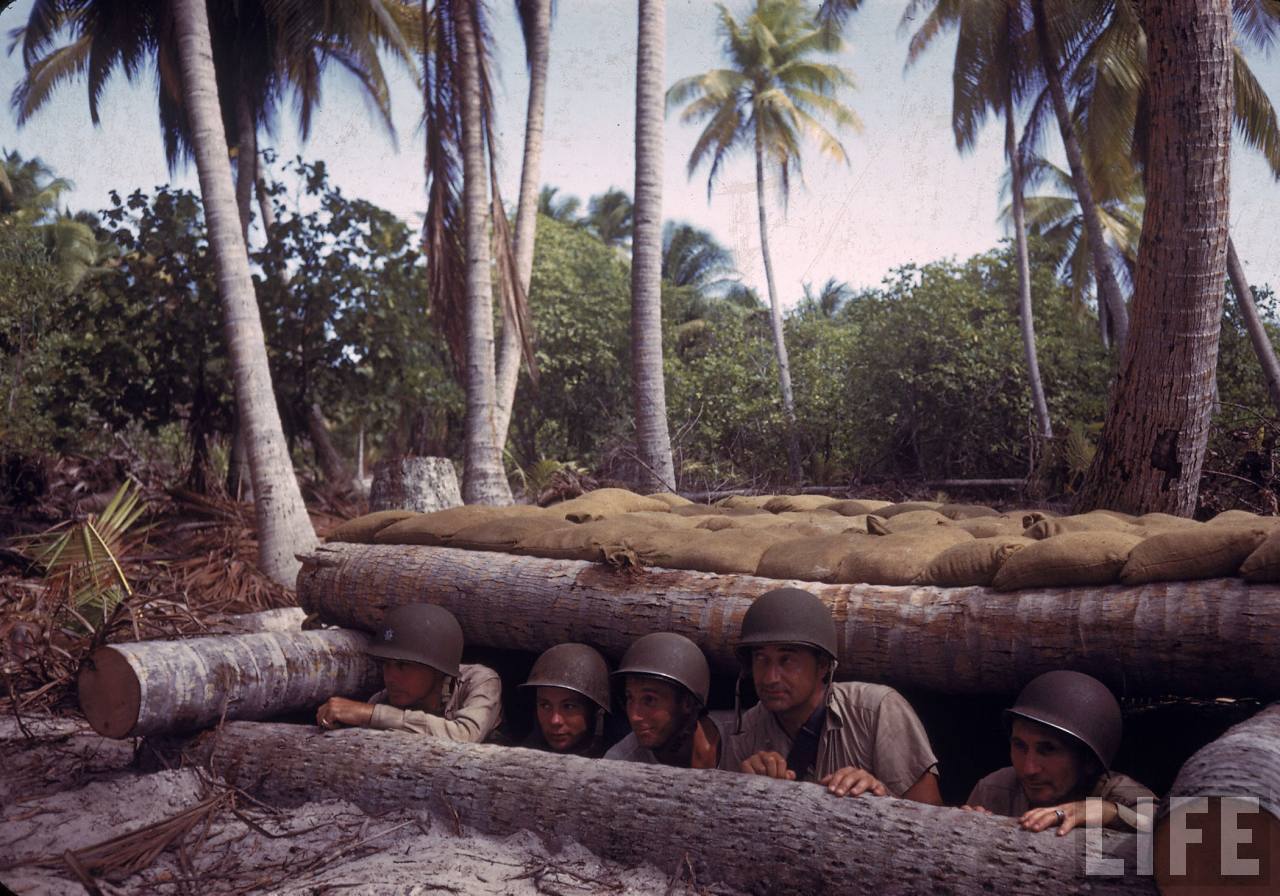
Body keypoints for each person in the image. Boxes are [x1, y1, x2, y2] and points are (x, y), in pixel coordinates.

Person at [723, 587, 942, 803]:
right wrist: (744, 789)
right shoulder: (745, 732)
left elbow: (931, 817)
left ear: (823, 665)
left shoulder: (877, 711)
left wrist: (879, 796)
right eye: (761, 659)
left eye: (786, 660)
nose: (770, 678)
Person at [963, 670, 1155, 834]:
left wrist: (1111, 813)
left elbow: (1173, 831)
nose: (1029, 769)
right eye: (1020, 746)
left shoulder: (1123, 793)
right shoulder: (994, 789)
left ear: (1089, 760)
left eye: (1048, 749)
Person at [315, 603, 502, 742]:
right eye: (386, 664)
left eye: (403, 665)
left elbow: (466, 736)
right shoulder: (381, 701)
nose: (390, 678)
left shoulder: (480, 682)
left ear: (436, 667)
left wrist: (373, 715)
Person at [604, 632, 727, 768]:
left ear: (687, 703)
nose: (634, 716)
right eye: (630, 698)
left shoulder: (744, 738)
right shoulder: (620, 762)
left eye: (649, 700)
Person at [519, 642, 612, 757]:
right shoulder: (522, 757)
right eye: (545, 705)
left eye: (569, 706)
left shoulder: (618, 758)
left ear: (596, 709)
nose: (555, 721)